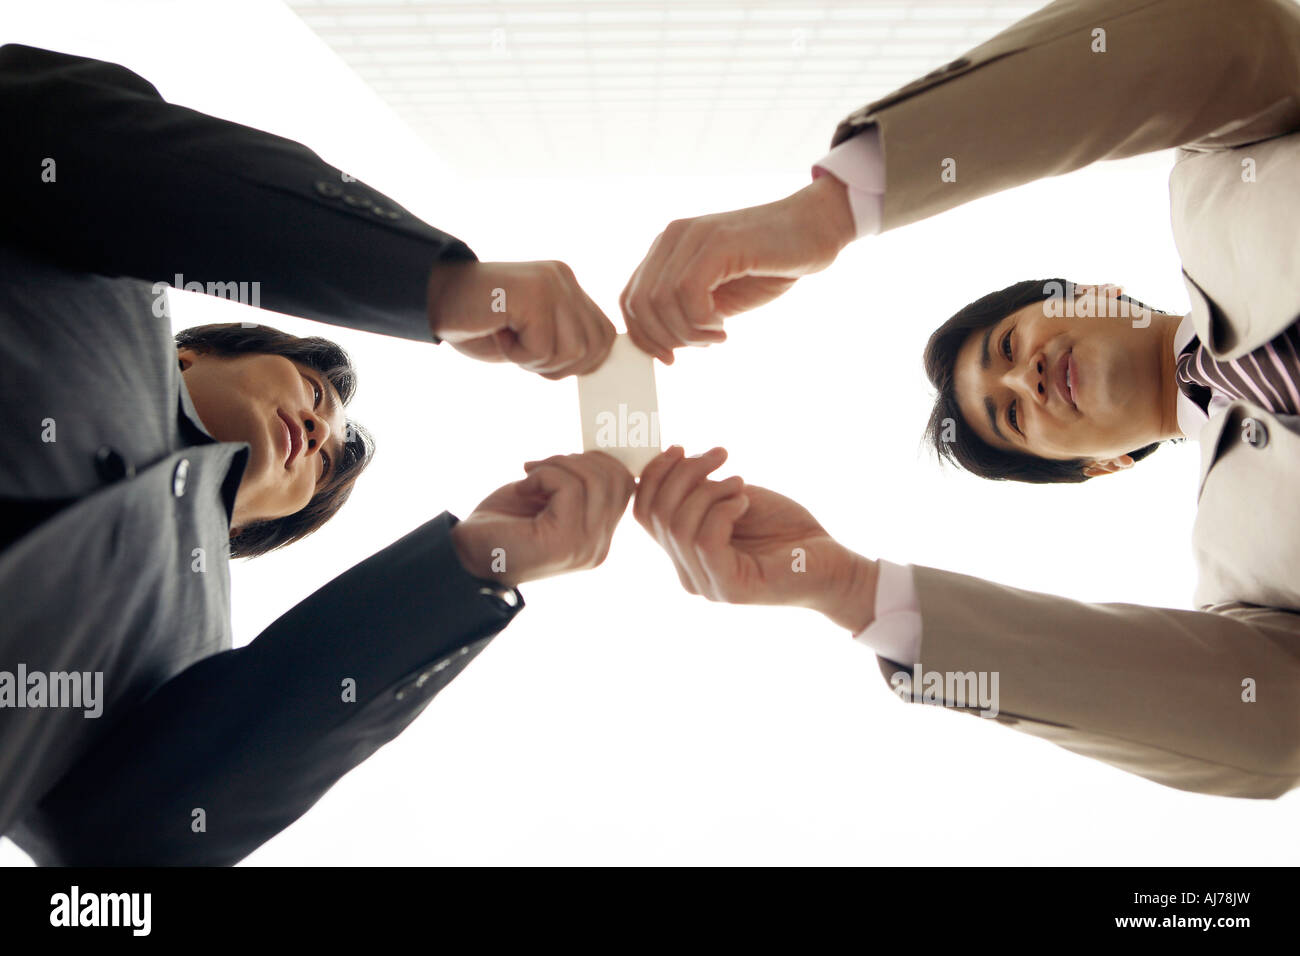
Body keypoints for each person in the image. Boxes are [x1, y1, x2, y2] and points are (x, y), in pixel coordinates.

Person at [621, 0, 1300, 798]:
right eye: (1011, 415)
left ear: (1091, 294)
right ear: (1101, 466)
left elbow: (1227, 35)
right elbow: (1272, 733)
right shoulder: (1251, 585)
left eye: (1008, 348)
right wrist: (848, 590)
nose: (1026, 378)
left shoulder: (1222, 168)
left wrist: (836, 207)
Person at [0, 42, 631, 865]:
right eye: (317, 393)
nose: (321, 436)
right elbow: (52, 127)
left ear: (267, 526)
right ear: (196, 352)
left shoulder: (186, 666)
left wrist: (472, 566)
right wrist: (433, 287)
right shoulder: (98, 267)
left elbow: (125, 847)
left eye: (327, 466)